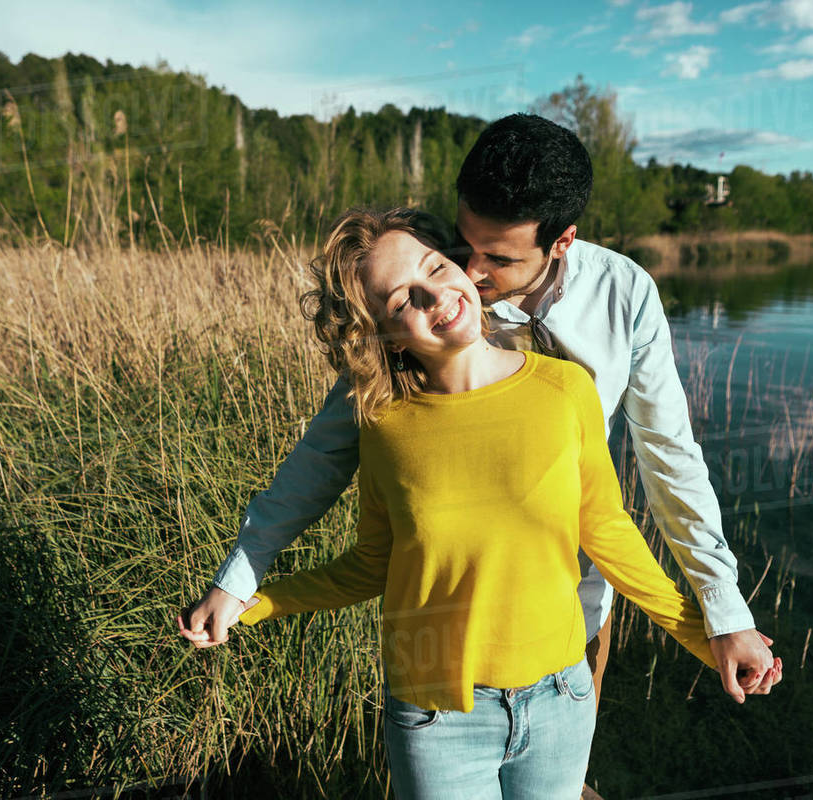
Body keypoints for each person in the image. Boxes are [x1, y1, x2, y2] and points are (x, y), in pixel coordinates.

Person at [181, 113, 782, 708]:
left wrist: (721, 612)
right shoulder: (437, 300)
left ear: (562, 240)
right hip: (450, 652)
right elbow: (323, 456)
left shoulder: (624, 295)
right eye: (464, 244)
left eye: (497, 257)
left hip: (575, 623)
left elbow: (669, 460)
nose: (470, 271)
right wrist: (240, 582)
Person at [226, 206, 720, 799]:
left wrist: (708, 633)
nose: (434, 295)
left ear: (461, 266)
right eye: (402, 301)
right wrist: (254, 603)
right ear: (384, 335)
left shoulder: (565, 390)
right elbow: (370, 566)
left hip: (561, 699)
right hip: (436, 722)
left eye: (435, 267)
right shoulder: (385, 427)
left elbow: (609, 533)